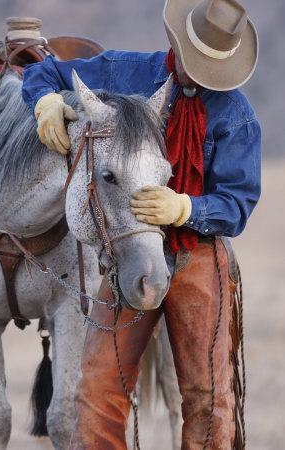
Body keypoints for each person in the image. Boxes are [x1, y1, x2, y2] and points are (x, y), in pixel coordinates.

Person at [22, 0, 261, 448]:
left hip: (197, 253)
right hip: (128, 249)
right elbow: (47, 72)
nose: (199, 76)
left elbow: (238, 203)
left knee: (208, 397)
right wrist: (46, 102)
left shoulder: (236, 114)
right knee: (98, 391)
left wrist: (185, 209)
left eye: (211, 70)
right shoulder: (127, 72)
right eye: (195, 64)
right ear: (176, 44)